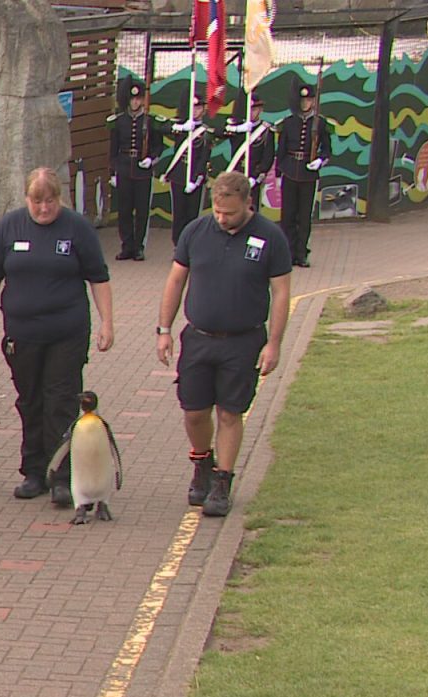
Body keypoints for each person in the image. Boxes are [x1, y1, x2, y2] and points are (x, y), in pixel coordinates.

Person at [156, 171, 291, 517]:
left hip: (242, 341)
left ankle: (223, 481)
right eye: (217, 211)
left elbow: (281, 293)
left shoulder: (270, 237)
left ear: (248, 203)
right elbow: (175, 280)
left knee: (231, 412)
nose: (222, 218)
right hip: (199, 338)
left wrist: (273, 344)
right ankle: (202, 463)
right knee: (194, 411)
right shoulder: (195, 232)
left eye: (229, 213)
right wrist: (164, 328)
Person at [0, 167, 114, 506]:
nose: (43, 208)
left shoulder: (77, 229)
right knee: (30, 400)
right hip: (22, 333)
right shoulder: (10, 227)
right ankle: (33, 471)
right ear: (26, 199)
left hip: (66, 332)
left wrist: (107, 323)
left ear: (60, 198)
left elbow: (99, 278)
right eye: (36, 201)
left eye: (49, 201)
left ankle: (63, 475)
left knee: (61, 400)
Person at [274, 81, 333, 268]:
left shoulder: (321, 123)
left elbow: (327, 150)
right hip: (290, 171)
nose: (305, 103)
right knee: (288, 216)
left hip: (308, 174)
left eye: (309, 100)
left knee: (304, 216)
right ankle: (287, 253)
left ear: (314, 101)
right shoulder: (289, 123)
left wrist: (320, 161)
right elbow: (281, 149)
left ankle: (302, 253)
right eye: (303, 100)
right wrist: (278, 173)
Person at [108, 78, 163, 261]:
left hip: (142, 171)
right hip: (124, 168)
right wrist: (113, 172)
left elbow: (158, 147)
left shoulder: (150, 121)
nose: (135, 102)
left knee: (141, 211)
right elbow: (113, 149)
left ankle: (139, 247)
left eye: (138, 99)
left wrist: (151, 159)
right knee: (124, 210)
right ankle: (126, 246)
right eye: (132, 100)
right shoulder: (119, 121)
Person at [165, 94, 212, 247]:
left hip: (194, 177)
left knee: (193, 215)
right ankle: (178, 246)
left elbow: (204, 156)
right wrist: (181, 127)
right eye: (193, 107)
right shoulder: (180, 126)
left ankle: (191, 246)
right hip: (179, 175)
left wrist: (197, 177)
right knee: (179, 214)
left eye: (198, 107)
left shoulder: (205, 132)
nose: (196, 111)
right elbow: (162, 128)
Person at [225, 93, 276, 208]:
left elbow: (268, 157)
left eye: (255, 109)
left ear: (261, 110)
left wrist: (256, 176)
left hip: (253, 176)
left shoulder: (265, 130)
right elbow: (219, 132)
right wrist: (238, 128)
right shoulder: (236, 126)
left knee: (252, 210)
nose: (252, 112)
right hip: (236, 175)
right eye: (249, 109)